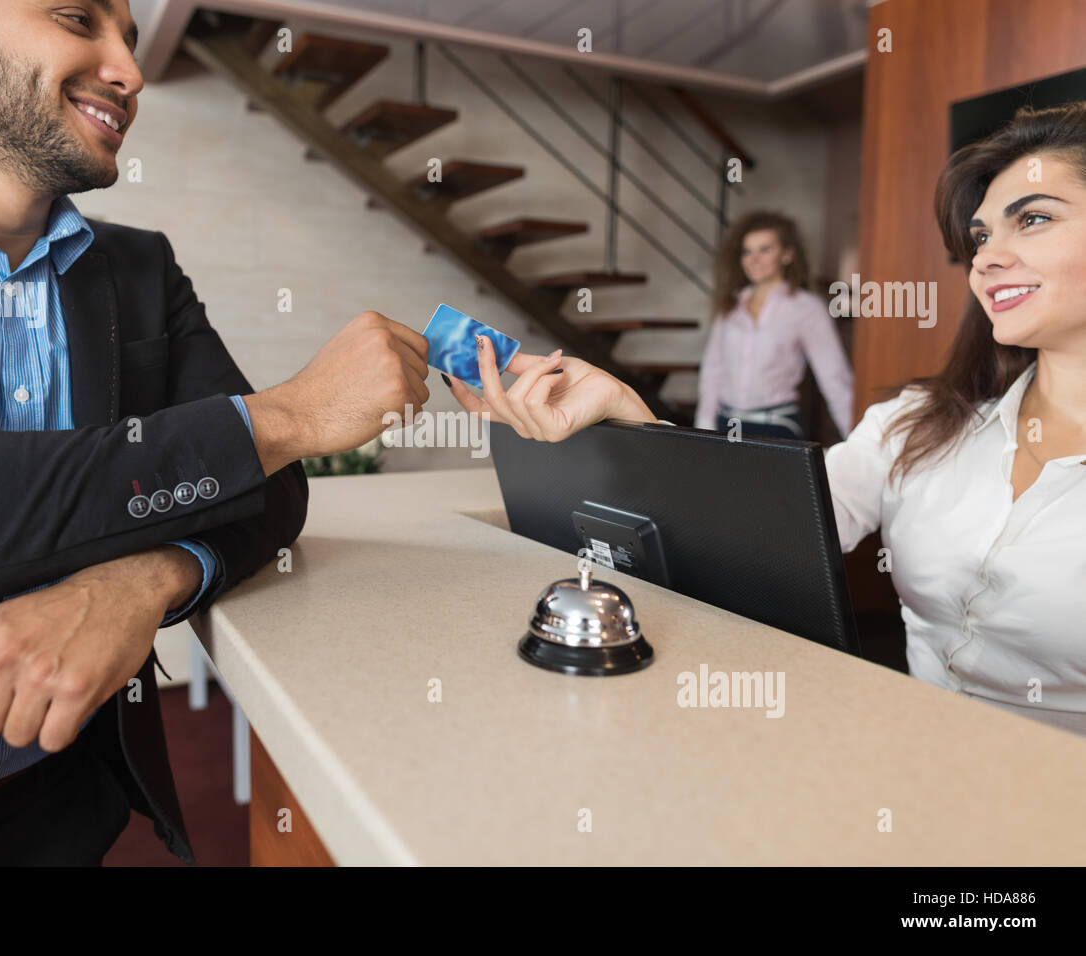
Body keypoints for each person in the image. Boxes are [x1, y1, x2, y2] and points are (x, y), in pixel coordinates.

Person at [0, 0, 430, 865]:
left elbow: (270, 485)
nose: (129, 70)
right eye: (78, 18)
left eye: (127, 34)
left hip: (66, 810)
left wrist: (142, 581)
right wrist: (292, 414)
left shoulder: (140, 270)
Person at [447, 102, 1086, 737]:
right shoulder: (917, 424)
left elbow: (833, 379)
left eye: (1032, 219)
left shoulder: (804, 309)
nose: (985, 259)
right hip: (910, 768)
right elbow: (764, 532)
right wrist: (626, 411)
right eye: (980, 236)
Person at [693, 210, 853, 440]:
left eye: (765, 249)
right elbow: (712, 370)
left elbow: (834, 377)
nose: (753, 259)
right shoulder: (730, 305)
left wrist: (858, 443)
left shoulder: (806, 308)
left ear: (787, 255)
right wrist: (704, 428)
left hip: (777, 427)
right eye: (747, 251)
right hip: (725, 426)